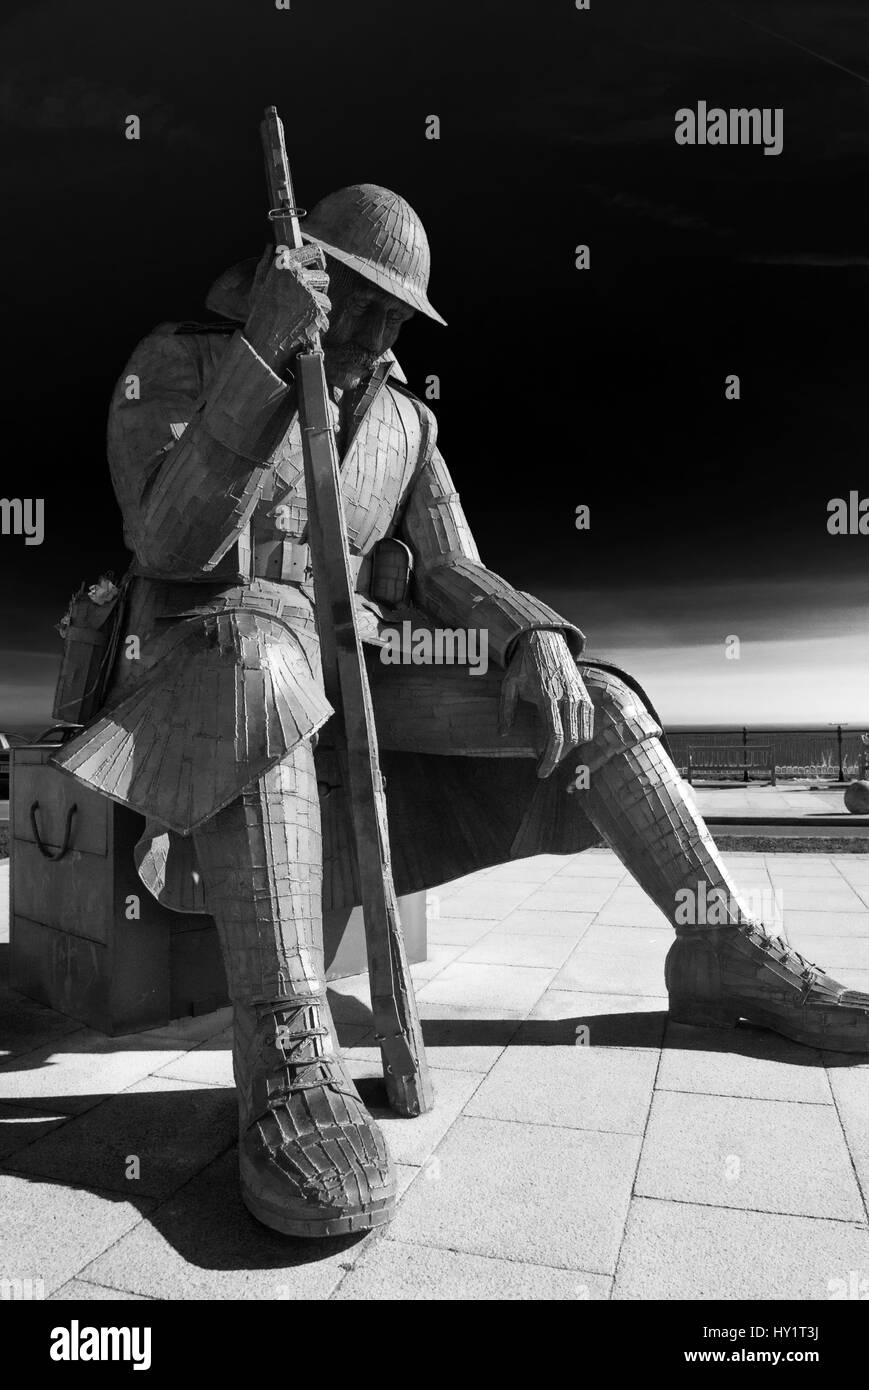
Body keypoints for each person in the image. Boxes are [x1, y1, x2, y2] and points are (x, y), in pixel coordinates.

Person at [54, 183, 869, 1239]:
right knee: (259, 658)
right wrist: (258, 364)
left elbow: (450, 568)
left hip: (361, 677)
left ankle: (721, 948)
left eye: (398, 317)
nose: (379, 332)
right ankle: (284, 1039)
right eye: (360, 303)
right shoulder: (181, 357)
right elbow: (169, 544)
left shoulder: (404, 420)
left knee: (603, 704)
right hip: (212, 664)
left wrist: (529, 634)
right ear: (301, 278)